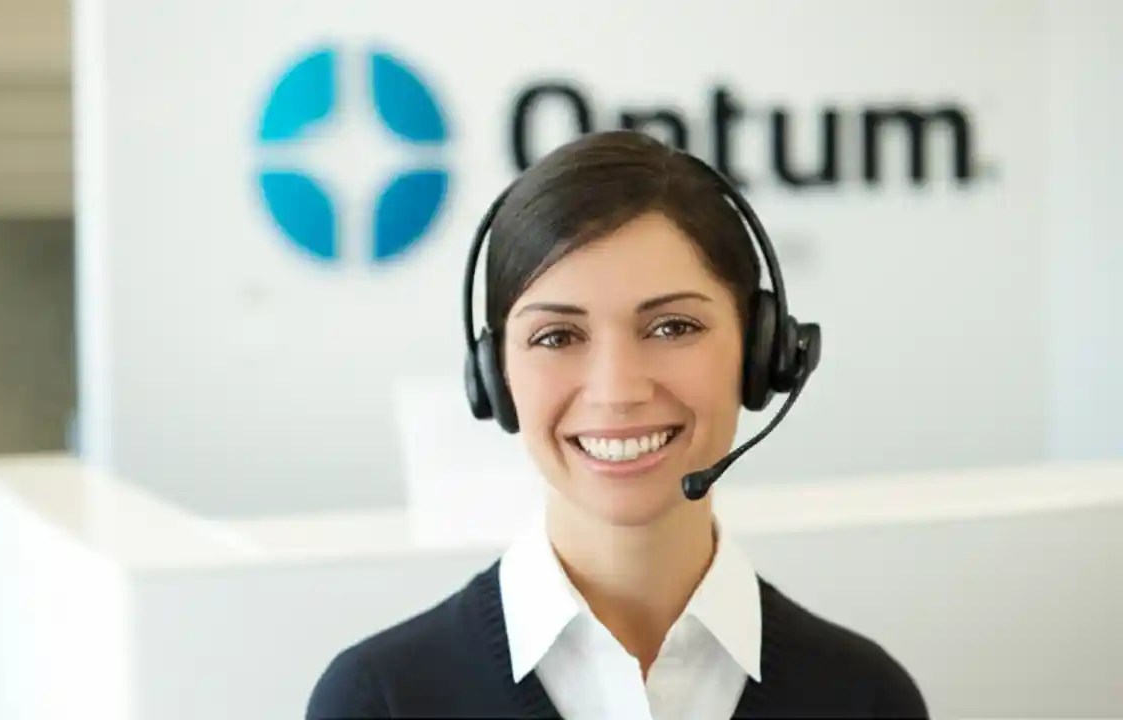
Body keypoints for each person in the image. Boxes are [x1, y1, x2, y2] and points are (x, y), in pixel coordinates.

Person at [306, 130, 928, 719]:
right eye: (557, 336)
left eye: (672, 327)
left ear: (762, 351)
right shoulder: (381, 702)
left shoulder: (864, 698)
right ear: (494, 379)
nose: (618, 391)